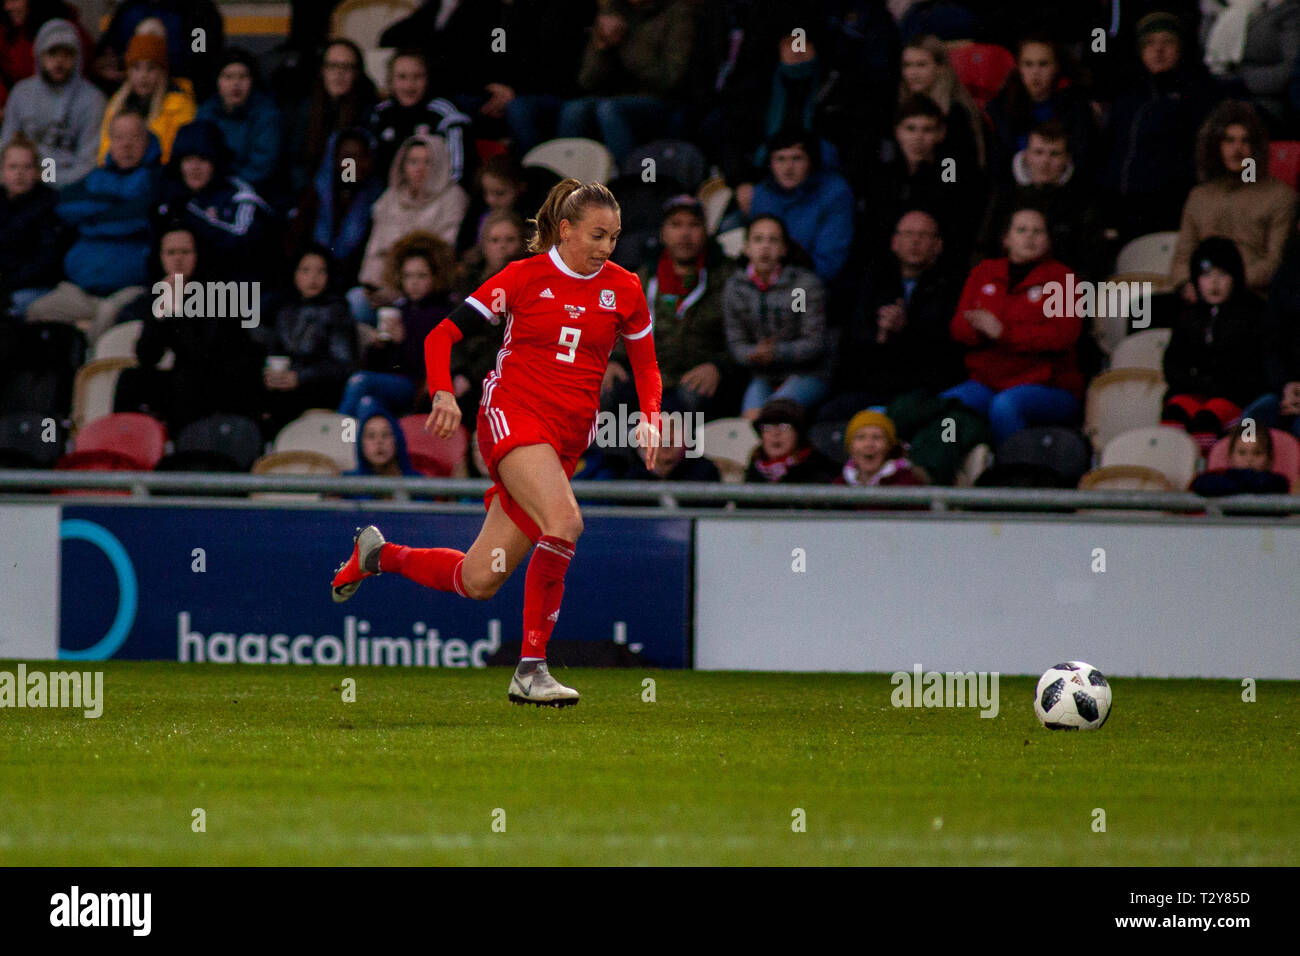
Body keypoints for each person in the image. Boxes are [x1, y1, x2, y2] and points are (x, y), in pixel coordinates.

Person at [330, 178, 664, 707]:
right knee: (566, 522)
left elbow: (646, 365)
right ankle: (531, 669)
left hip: (565, 442)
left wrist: (650, 415)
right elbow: (441, 335)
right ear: (566, 229)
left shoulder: (624, 288)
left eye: (615, 237)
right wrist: (442, 393)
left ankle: (377, 556)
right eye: (598, 235)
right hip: (512, 416)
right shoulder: (523, 277)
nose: (607, 247)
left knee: (480, 578)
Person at [945, 205, 1082, 444]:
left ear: (1048, 241)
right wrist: (981, 331)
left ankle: (1012, 473)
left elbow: (1063, 337)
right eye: (1021, 230)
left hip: (1049, 386)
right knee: (945, 405)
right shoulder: (984, 272)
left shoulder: (1063, 279)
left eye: (1037, 231)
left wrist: (1002, 333)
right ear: (1006, 239)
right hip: (988, 382)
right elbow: (959, 327)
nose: (1029, 236)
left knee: (1005, 406)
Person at [26, 111, 160, 342]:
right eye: (119, 137)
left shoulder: (158, 179)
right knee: (35, 310)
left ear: (147, 141)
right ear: (110, 141)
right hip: (79, 289)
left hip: (129, 290)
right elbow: (66, 206)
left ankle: (90, 375)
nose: (126, 145)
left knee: (107, 317)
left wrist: (94, 216)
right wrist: (119, 208)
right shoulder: (95, 177)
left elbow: (140, 215)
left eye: (134, 137)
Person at [115, 224, 262, 432]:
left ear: (198, 255)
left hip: (223, 380)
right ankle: (125, 444)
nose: (178, 259)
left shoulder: (219, 292)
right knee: (130, 379)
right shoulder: (161, 292)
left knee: (186, 378)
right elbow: (146, 356)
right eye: (171, 253)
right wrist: (164, 309)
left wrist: (180, 306)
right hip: (184, 377)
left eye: (185, 252)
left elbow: (202, 351)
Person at [604, 195, 737, 418]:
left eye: (693, 225)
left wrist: (718, 367)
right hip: (648, 376)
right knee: (603, 390)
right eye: (676, 225)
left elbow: (742, 338)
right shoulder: (643, 278)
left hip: (697, 377)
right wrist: (613, 361)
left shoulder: (728, 278)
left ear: (706, 231)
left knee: (687, 404)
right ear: (663, 233)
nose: (685, 234)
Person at [825, 209, 964, 420]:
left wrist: (906, 330)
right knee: (830, 414)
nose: (915, 241)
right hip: (872, 383)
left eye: (923, 235)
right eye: (908, 234)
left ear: (938, 245)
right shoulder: (873, 280)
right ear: (894, 243)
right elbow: (852, 336)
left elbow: (948, 347)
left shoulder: (953, 286)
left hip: (923, 387)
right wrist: (880, 335)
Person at [1099, 11, 1219, 241]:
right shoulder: (1127, 95)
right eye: (1150, 43)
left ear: (1181, 48)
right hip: (1119, 208)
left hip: (1168, 210)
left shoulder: (1197, 96)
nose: (1158, 50)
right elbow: (1108, 151)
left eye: (1168, 42)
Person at [1168, 100, 1297, 298]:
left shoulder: (1281, 196)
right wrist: (1188, 284)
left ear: (1256, 147)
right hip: (1200, 298)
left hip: (1253, 299)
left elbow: (1275, 264)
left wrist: (1225, 286)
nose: (1237, 149)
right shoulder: (1199, 196)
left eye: (1245, 141)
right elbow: (1182, 258)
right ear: (1215, 146)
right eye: (1229, 141)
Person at [1162, 237, 1269, 452]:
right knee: (1174, 414)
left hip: (1235, 397)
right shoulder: (1188, 317)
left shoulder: (1253, 315)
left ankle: (1206, 473)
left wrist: (1215, 386)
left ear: (1235, 278)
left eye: (1222, 275)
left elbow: (1252, 371)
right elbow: (1172, 365)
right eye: (1206, 275)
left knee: (1206, 421)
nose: (1214, 283)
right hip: (1194, 393)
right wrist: (1195, 383)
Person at [556, 0, 697, 161]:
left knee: (609, 110)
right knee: (573, 110)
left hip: (660, 100)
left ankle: (628, 179)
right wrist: (601, 46)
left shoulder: (678, 12)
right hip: (614, 97)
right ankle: (568, 181)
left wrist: (625, 41)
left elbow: (671, 79)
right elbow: (587, 80)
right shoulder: (613, 11)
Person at [352, 133, 468, 320]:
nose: (419, 169)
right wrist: (374, 287)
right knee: (356, 299)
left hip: (429, 291)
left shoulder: (453, 198)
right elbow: (374, 250)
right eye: (413, 162)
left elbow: (444, 252)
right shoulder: (390, 198)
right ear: (403, 165)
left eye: (427, 162)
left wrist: (401, 292)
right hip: (384, 287)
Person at [339, 233, 456, 418]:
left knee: (360, 382)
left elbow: (424, 365)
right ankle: (347, 443)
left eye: (422, 276)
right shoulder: (400, 309)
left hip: (416, 386)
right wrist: (379, 345)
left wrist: (403, 340)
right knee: (367, 406)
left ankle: (335, 438)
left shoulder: (443, 312)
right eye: (408, 276)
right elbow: (378, 365)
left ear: (436, 276)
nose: (414, 282)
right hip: (390, 382)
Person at [724, 215, 829, 419]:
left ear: (784, 249)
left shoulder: (802, 286)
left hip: (808, 373)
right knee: (750, 421)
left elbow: (814, 342)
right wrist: (754, 353)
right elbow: (736, 343)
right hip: (763, 374)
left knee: (773, 415)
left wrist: (777, 352)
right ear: (746, 247)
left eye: (773, 240)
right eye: (758, 239)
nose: (765, 247)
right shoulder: (735, 288)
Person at [251, 244, 358, 440]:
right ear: (295, 274)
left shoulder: (337, 311)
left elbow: (344, 366)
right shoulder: (284, 310)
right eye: (306, 270)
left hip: (319, 387)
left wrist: (300, 378)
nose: (313, 278)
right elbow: (274, 352)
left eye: (321, 271)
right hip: (285, 385)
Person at [976, 121, 1105, 278]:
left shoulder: (1082, 202)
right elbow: (983, 248)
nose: (1045, 161)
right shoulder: (1004, 196)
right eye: (1038, 152)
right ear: (1026, 155)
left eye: (1054, 154)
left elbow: (1091, 262)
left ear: (1066, 158)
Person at [153, 119, 274, 283]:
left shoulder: (239, 196)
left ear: (216, 163)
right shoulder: (168, 198)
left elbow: (241, 241)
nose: (195, 167)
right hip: (187, 290)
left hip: (238, 292)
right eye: (188, 160)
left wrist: (190, 214)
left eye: (203, 159)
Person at [0, 17, 105, 188]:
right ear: (39, 55)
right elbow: (6, 145)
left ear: (77, 57)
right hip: (19, 180)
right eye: (52, 53)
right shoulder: (22, 93)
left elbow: (89, 161)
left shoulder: (93, 99)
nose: (59, 62)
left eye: (67, 54)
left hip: (69, 185)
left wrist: (49, 180)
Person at [749, 126, 855, 283]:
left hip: (809, 285)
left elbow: (829, 264)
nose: (788, 168)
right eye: (780, 159)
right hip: (766, 284)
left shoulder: (835, 193)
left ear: (811, 161)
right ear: (770, 163)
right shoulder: (762, 193)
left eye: (797, 158)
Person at [985, 35, 1095, 182]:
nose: (1035, 72)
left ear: (1056, 67)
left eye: (1043, 64)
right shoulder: (999, 109)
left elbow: (1083, 158)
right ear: (1018, 67)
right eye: (1028, 64)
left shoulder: (1076, 107)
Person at [285, 39, 376, 195]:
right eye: (333, 66)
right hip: (308, 193)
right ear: (323, 71)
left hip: (351, 195)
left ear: (357, 73)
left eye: (347, 67)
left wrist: (342, 196)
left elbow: (354, 169)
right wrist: (309, 195)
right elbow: (295, 160)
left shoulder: (367, 112)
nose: (339, 74)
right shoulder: (305, 109)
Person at [367, 48, 470, 184]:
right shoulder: (380, 113)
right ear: (390, 81)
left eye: (417, 77)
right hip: (391, 195)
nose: (409, 86)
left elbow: (458, 171)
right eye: (402, 77)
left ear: (428, 79)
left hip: (437, 194)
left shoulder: (444, 113)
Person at [96, 32, 195, 165]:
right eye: (136, 68)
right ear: (128, 71)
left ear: (162, 71)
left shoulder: (179, 105)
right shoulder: (118, 103)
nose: (143, 75)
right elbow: (105, 151)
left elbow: (178, 154)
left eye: (151, 68)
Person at [195, 48, 283, 192]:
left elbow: (262, 165)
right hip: (210, 189)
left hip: (253, 189)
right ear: (217, 81)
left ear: (253, 80)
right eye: (228, 77)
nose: (236, 83)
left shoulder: (267, 114)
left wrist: (228, 186)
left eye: (243, 77)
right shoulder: (206, 112)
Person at [898, 33, 986, 170]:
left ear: (940, 68)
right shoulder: (900, 105)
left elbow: (951, 166)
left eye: (921, 65)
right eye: (907, 65)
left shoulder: (955, 112)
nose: (912, 73)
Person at [0, 134, 63, 318]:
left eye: (26, 167)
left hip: (31, 287)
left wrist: (8, 282)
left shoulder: (49, 205)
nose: (19, 173)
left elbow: (47, 261)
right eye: (13, 167)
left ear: (37, 171)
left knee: (14, 305)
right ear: (3, 171)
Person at [743, 397, 838, 484]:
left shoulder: (819, 470)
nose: (775, 433)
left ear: (798, 434)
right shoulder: (753, 470)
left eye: (784, 426)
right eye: (767, 427)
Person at [1190, 420, 1291, 495]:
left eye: (1257, 453)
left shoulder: (1276, 482)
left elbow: (1268, 484)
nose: (1249, 459)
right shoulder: (1219, 477)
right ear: (1230, 457)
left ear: (1269, 459)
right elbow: (1199, 483)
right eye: (1242, 453)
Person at [833, 409, 928, 487]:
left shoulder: (908, 482)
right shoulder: (839, 485)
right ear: (850, 447)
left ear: (889, 446)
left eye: (877, 437)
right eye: (860, 437)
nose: (868, 444)